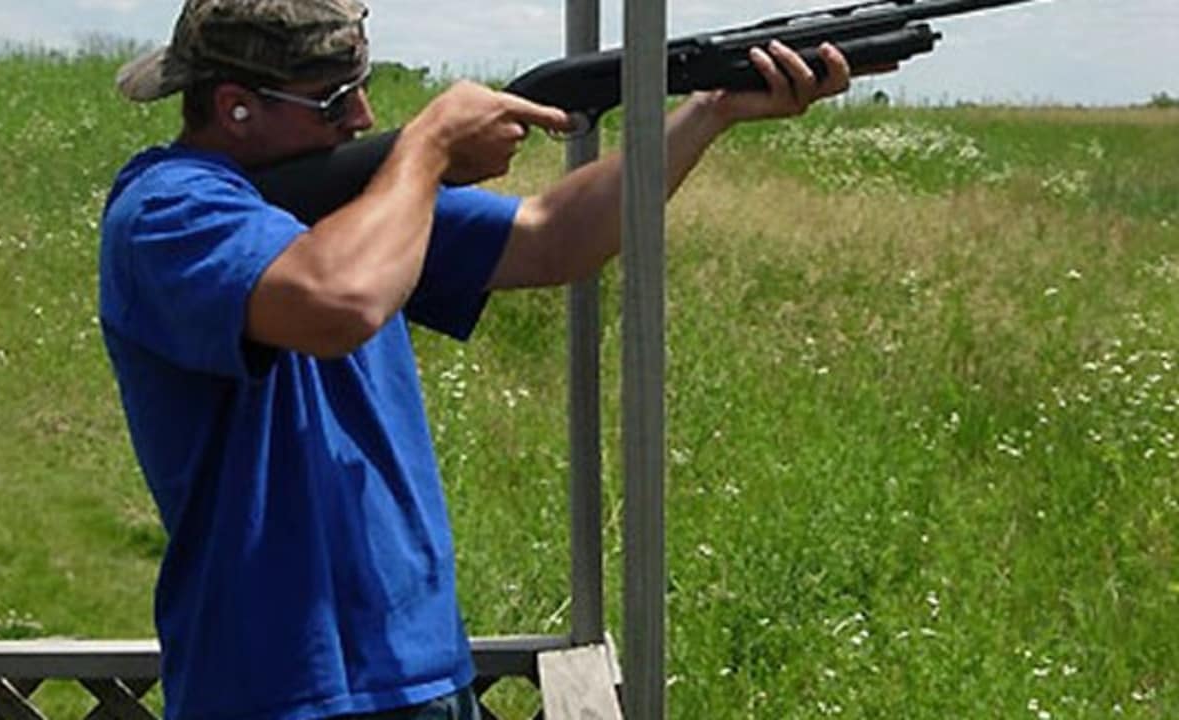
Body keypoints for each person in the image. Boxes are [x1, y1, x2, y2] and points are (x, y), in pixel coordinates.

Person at [99, 0, 854, 718]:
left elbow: (556, 234)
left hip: (420, 666)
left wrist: (708, 111)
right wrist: (426, 149)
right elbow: (338, 303)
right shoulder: (168, 210)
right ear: (236, 105)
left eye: (361, 91)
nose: (363, 118)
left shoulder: (353, 202)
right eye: (333, 101)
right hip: (275, 684)